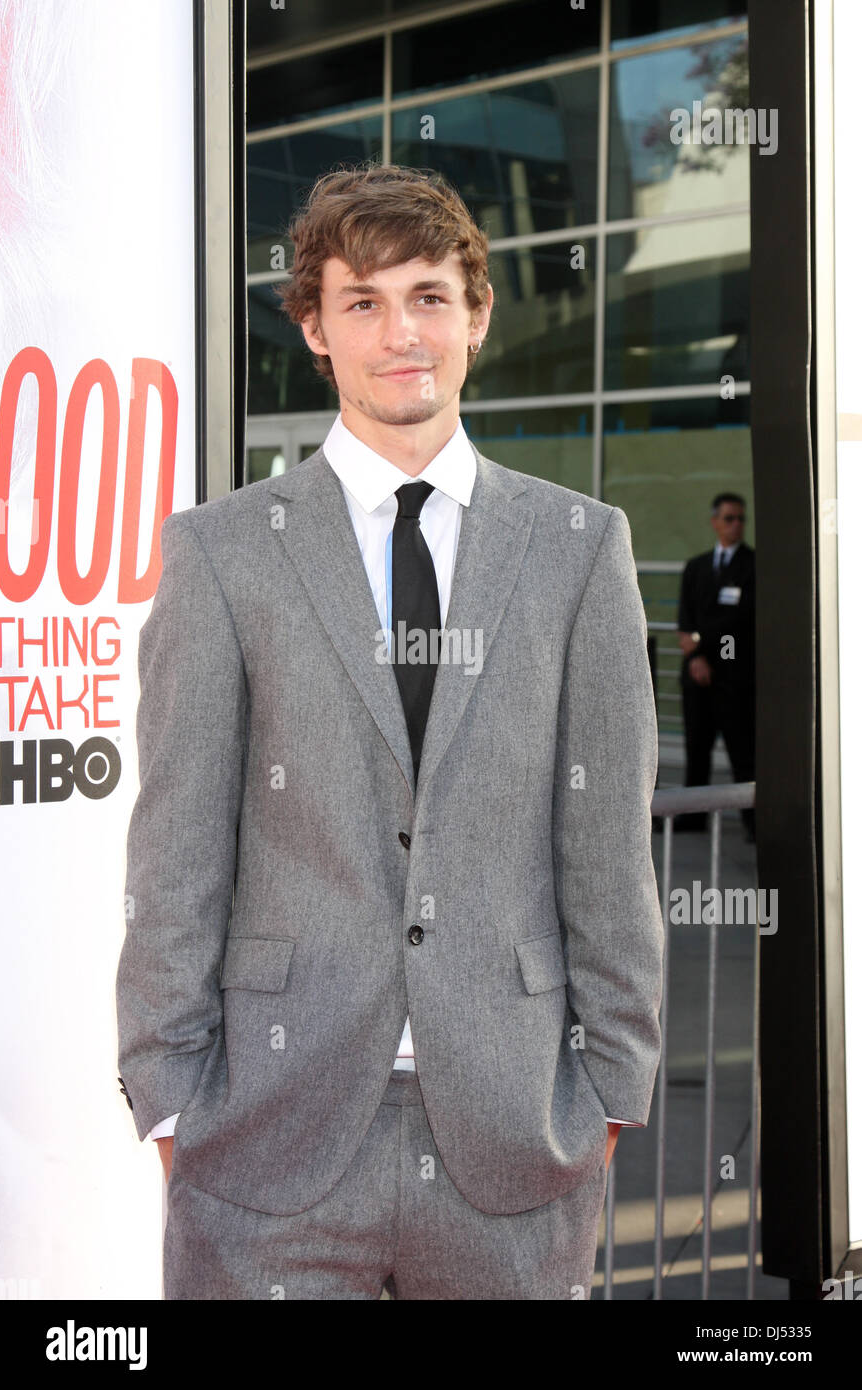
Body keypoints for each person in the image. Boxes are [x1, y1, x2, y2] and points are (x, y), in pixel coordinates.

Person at [116, 162, 664, 1301]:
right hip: (267, 1143)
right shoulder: (221, 552)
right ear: (314, 327)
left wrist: (610, 1091)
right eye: (360, 301)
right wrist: (170, 1098)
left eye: (426, 294)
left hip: (514, 1142)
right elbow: (176, 845)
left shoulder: (578, 548)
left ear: (475, 315)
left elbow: (606, 845)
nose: (398, 331)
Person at [676, 493, 756, 839]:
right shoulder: (696, 566)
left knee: (742, 750)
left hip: (733, 675)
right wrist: (694, 657)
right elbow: (685, 616)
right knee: (697, 747)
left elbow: (738, 619)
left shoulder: (754, 565)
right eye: (729, 518)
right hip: (697, 674)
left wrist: (697, 641)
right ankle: (693, 817)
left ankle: (754, 821)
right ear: (715, 522)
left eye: (740, 519)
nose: (736, 525)